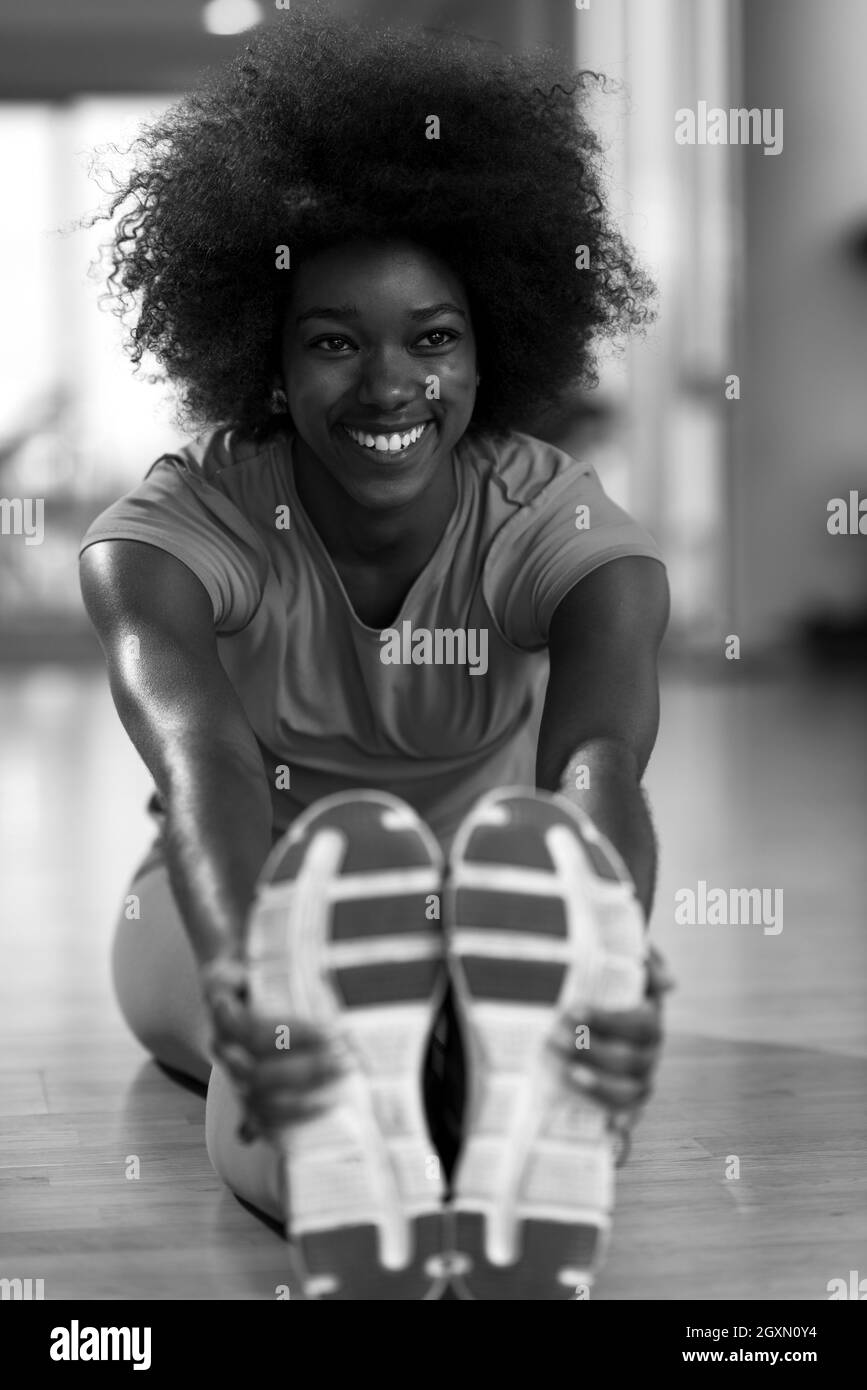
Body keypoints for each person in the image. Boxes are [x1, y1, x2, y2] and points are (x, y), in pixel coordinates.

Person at [78, 6, 671, 1300]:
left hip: (485, 907)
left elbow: (599, 766)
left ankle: (485, 1086)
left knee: (462, 1041)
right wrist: (252, 969)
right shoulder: (180, 528)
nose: (392, 382)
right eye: (335, 341)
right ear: (273, 368)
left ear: (490, 350)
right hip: (219, 909)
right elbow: (202, 766)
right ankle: (351, 1159)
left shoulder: (566, 531)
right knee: (301, 1054)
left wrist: (606, 953)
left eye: (436, 338)